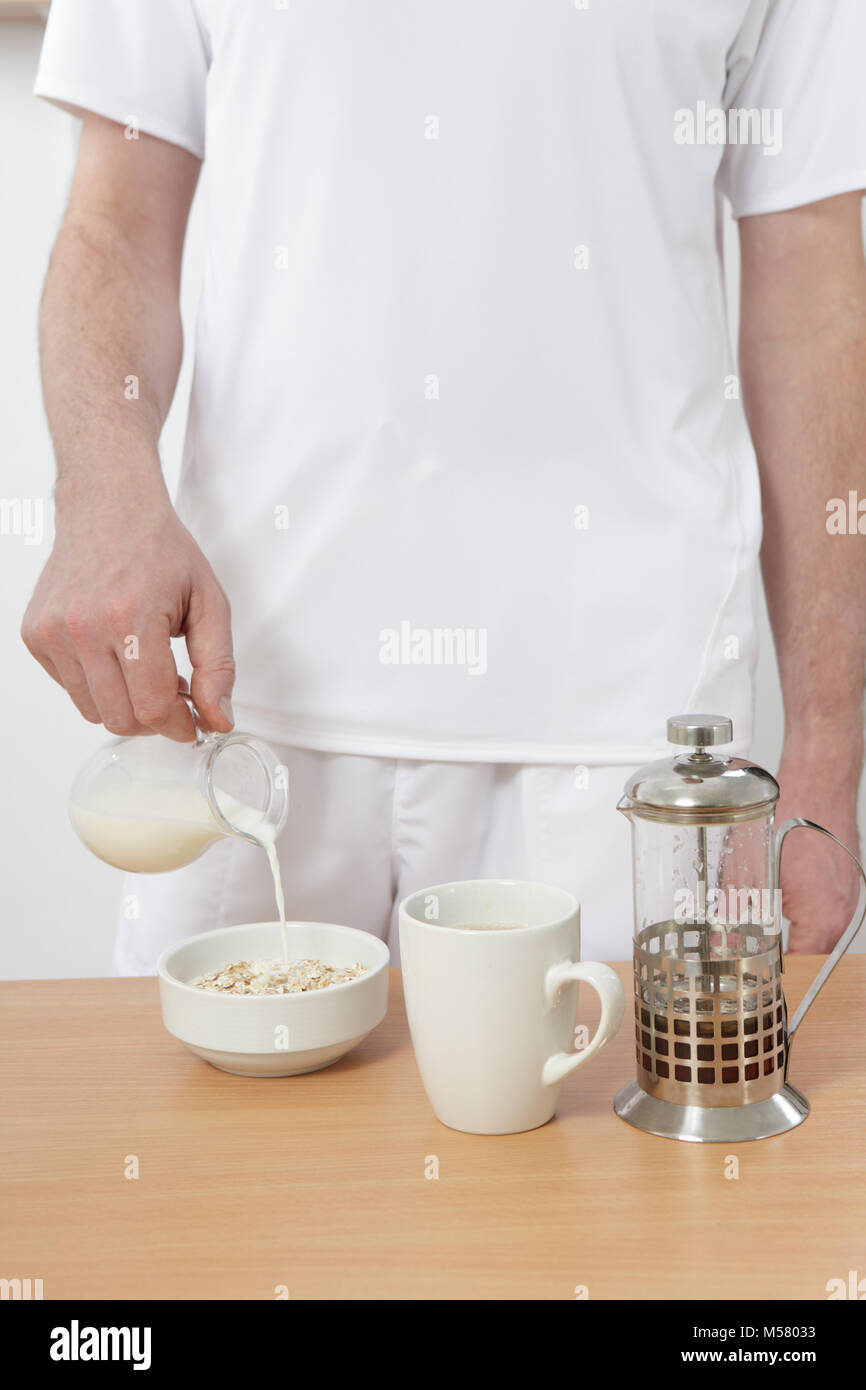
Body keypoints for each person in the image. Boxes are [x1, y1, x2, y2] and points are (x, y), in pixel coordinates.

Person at [22, 0, 866, 972]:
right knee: (185, 1118)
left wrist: (822, 760)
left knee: (604, 1124)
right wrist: (99, 495)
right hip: (244, 698)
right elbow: (115, 217)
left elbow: (811, 280)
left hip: (630, 724)